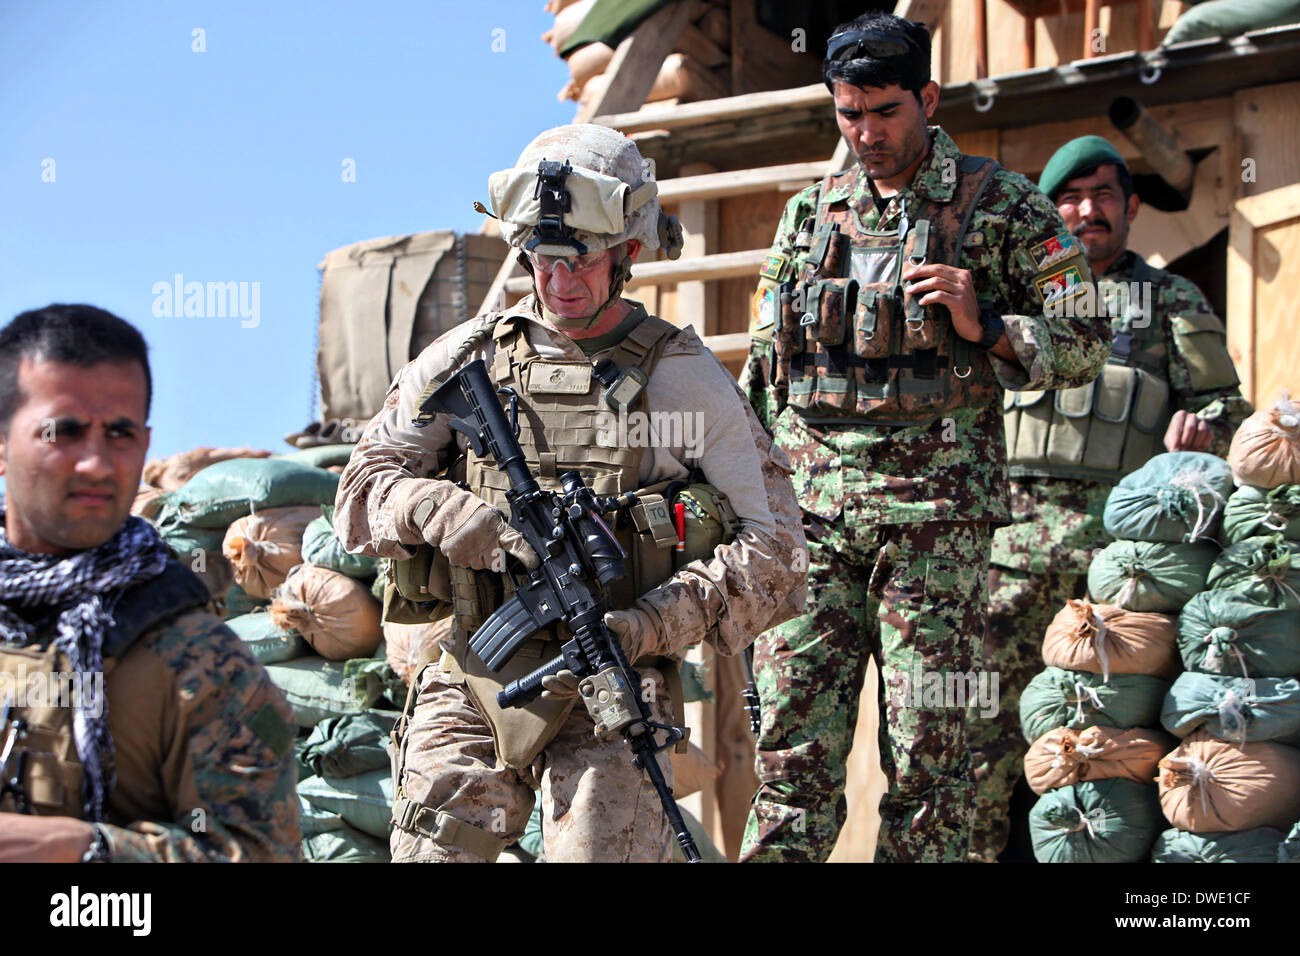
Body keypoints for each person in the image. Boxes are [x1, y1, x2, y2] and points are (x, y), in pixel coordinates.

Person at [334, 124, 806, 863]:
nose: (557, 283)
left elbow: (777, 548)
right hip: (474, 671)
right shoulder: (468, 359)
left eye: (579, 260)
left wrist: (652, 624)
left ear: (629, 255)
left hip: (614, 682)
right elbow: (360, 489)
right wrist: (434, 508)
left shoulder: (684, 378)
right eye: (540, 260)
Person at [738, 10, 1113, 863]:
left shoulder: (1004, 205)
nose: (866, 133)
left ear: (929, 99)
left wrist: (989, 327)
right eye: (848, 114)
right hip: (815, 528)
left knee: (933, 772)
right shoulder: (808, 217)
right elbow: (764, 374)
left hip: (937, 533)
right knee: (791, 762)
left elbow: (1089, 335)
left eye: (886, 112)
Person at [968, 135, 1251, 862]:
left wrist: (1205, 430)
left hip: (1123, 573)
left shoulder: (1170, 300)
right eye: (1069, 198)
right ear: (1048, 212)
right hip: (1008, 559)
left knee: (1112, 745)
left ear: (1129, 208)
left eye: (1102, 196)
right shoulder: (1009, 300)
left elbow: (1228, 413)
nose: (1086, 211)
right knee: (987, 742)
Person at [0, 304, 300, 862]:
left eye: (119, 433)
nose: (96, 462)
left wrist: (80, 851)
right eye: (62, 432)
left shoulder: (199, 664)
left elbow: (258, 854)